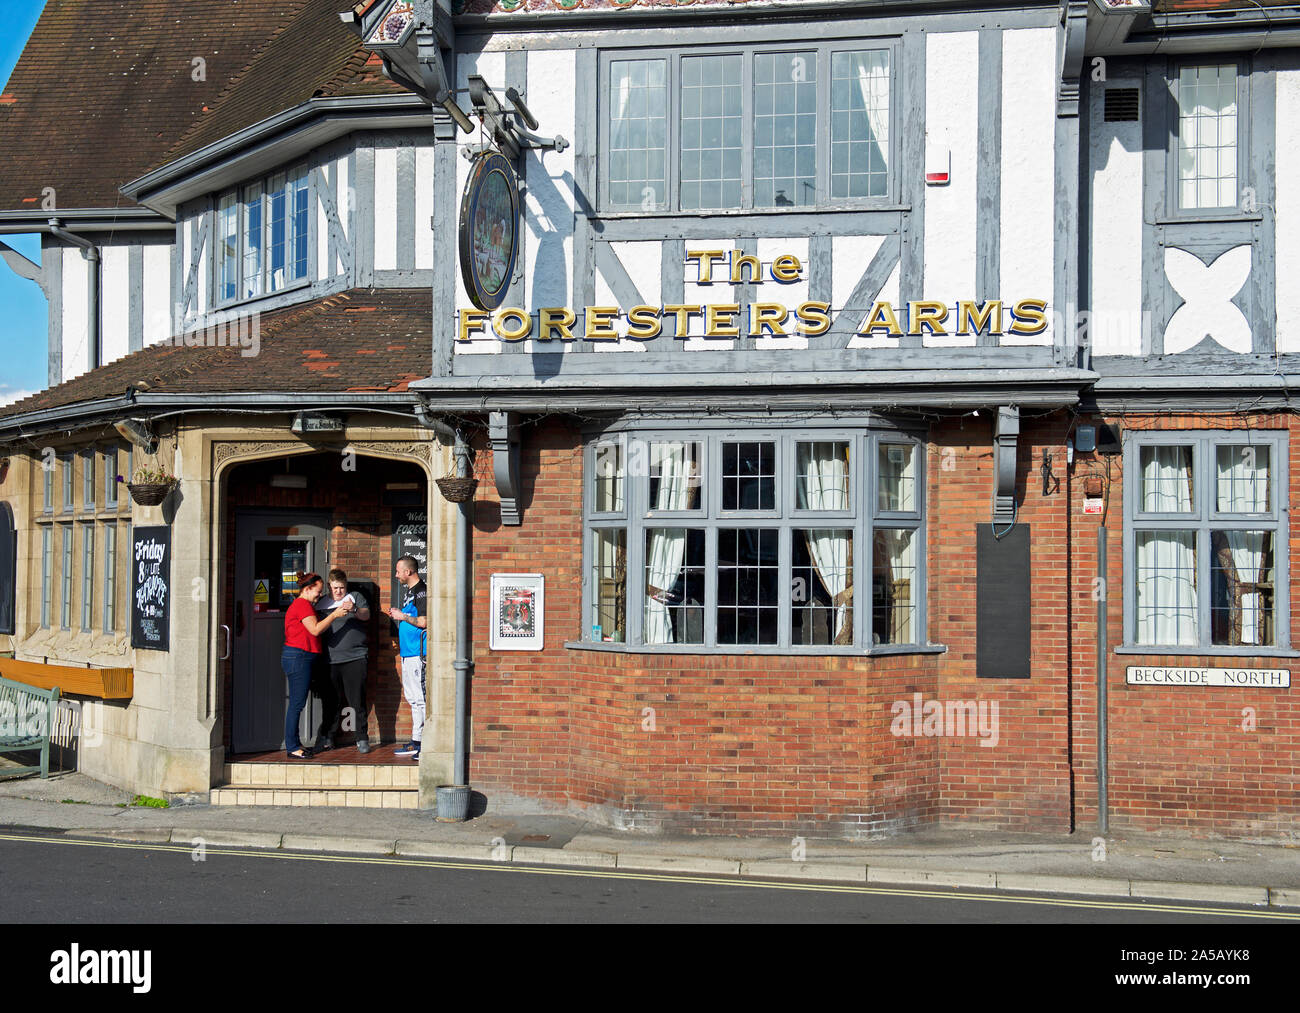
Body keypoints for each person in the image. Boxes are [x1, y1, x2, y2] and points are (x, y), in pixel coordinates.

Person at [282, 572, 354, 760]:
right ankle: (292, 746)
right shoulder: (302, 605)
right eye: (318, 591)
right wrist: (336, 615)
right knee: (297, 704)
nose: (320, 595)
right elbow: (315, 630)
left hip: (302, 656)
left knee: (298, 702)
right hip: (298, 657)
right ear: (307, 589)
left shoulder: (305, 605)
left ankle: (295, 744)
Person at [312, 569, 372, 754]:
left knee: (357, 700)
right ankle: (328, 737)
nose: (339, 591)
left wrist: (353, 609)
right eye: (336, 588)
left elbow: (366, 615)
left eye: (342, 587)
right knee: (331, 702)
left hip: (355, 658)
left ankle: (362, 738)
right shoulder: (322, 603)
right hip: (329, 660)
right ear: (329, 586)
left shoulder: (355, 597)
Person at [386, 555, 427, 760]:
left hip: (418, 654)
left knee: (420, 699)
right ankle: (416, 740)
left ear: (408, 572)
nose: (396, 575)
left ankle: (423, 744)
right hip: (407, 653)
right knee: (412, 699)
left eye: (398, 571)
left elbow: (424, 621)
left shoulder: (421, 592)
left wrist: (402, 617)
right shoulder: (409, 592)